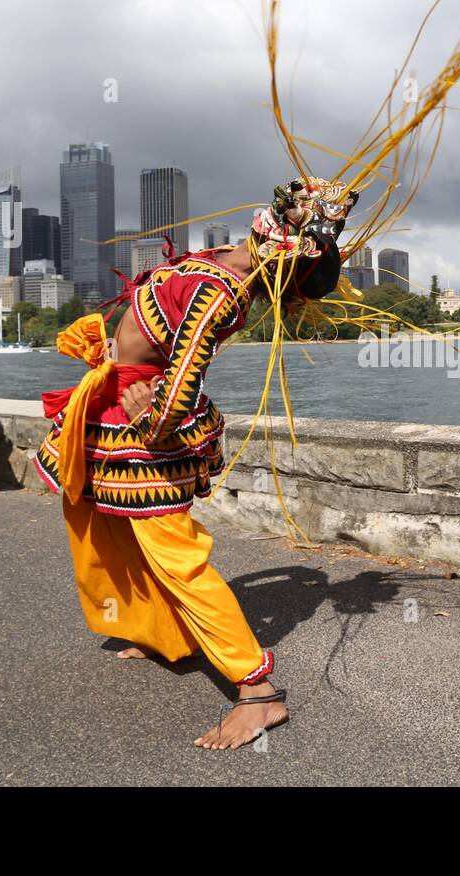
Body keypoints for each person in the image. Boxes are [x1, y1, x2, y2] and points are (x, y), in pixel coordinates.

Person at [34, 177, 356, 750]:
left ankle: (258, 694)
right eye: (288, 212)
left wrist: (152, 426)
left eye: (286, 221)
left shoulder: (223, 288)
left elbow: (185, 376)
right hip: (115, 405)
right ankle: (161, 631)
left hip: (145, 424)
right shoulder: (214, 261)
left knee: (175, 555)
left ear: (276, 252)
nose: (276, 217)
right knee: (109, 529)